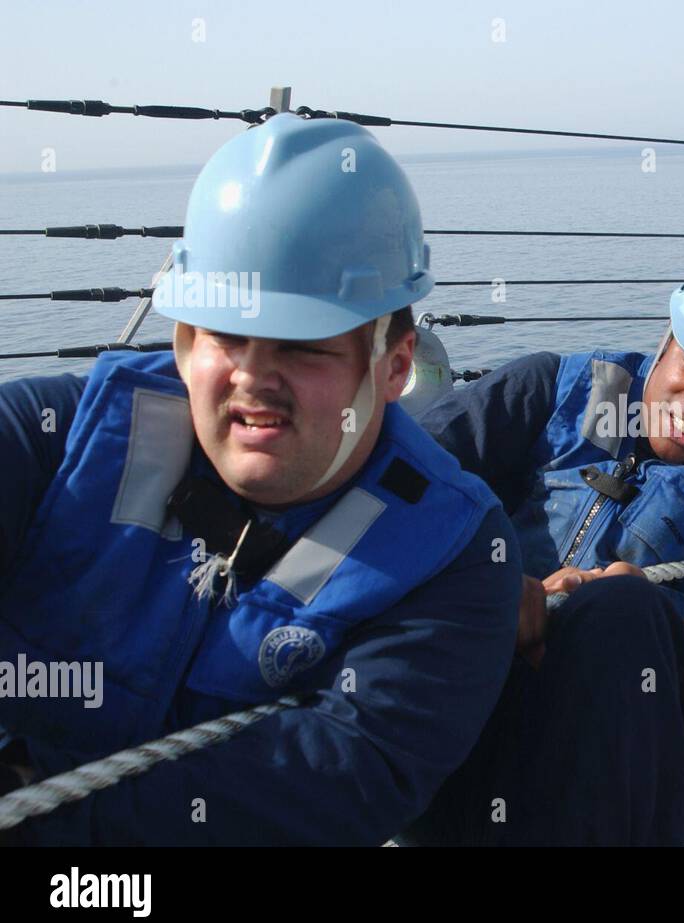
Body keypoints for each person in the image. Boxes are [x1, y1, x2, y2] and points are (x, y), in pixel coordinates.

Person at [0, 114, 521, 845]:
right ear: (183, 342)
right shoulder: (57, 440)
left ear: (396, 365)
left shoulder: (452, 555)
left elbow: (335, 781)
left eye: (302, 347)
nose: (253, 380)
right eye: (225, 336)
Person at [412, 240, 684, 845]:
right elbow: (399, 485)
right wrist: (492, 587)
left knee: (627, 609)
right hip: (465, 726)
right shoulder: (549, 390)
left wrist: (666, 630)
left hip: (610, 776)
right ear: (668, 334)